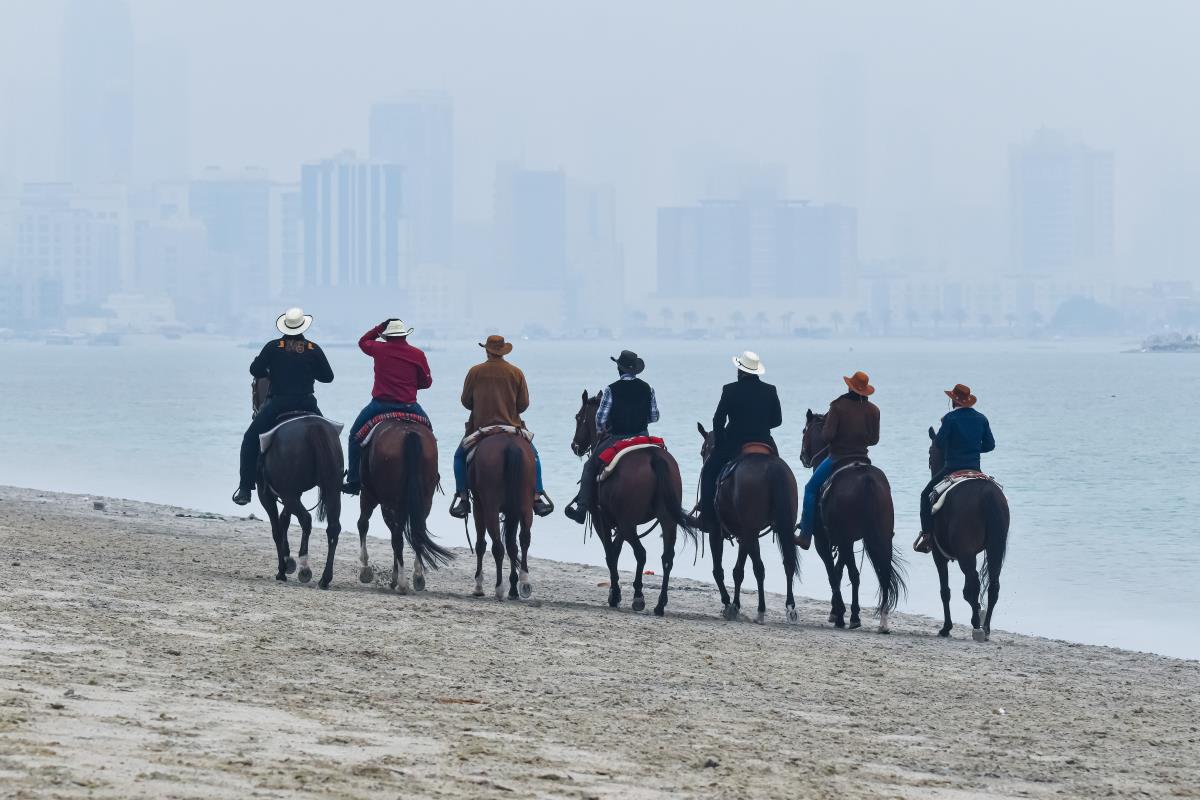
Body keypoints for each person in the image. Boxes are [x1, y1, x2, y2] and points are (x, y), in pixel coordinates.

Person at [233, 307, 334, 505]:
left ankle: (245, 488)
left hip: (279, 403)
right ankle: (337, 477)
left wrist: (271, 368)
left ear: (285, 326)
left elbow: (255, 370)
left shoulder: (273, 347)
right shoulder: (313, 348)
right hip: (307, 403)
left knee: (250, 438)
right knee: (330, 436)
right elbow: (328, 377)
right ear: (303, 327)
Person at [449, 335, 554, 519]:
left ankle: (463, 498)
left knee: (459, 457)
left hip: (481, 429)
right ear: (503, 351)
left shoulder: (475, 371)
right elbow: (523, 404)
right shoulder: (516, 372)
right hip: (511, 428)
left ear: (487, 350)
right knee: (534, 457)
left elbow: (466, 402)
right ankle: (537, 496)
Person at [563, 350, 660, 524]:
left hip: (618, 437)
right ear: (635, 370)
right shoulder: (648, 388)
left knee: (589, 466)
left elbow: (600, 419)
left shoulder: (611, 389)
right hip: (644, 437)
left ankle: (582, 509)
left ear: (619, 369)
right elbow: (654, 417)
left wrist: (602, 430)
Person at [691, 351, 782, 533]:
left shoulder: (730, 389)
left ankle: (707, 517)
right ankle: (779, 516)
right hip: (764, 441)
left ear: (741, 371)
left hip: (734, 443)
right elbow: (777, 420)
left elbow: (718, 420)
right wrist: (761, 425)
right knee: (780, 471)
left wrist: (722, 441)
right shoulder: (770, 389)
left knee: (708, 471)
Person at [341, 319, 431, 495]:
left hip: (380, 406)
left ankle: (353, 481)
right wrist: (411, 385)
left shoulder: (378, 348)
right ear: (405, 335)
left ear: (386, 336)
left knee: (354, 436)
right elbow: (426, 382)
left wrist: (378, 328)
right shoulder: (418, 354)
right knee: (430, 435)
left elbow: (362, 342)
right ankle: (432, 476)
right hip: (410, 406)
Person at [796, 371, 880, 549]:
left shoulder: (837, 406)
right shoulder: (874, 410)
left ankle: (805, 535)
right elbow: (874, 440)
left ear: (849, 386)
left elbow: (827, 436)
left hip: (838, 458)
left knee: (810, 489)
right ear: (865, 391)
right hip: (863, 459)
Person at [914, 383, 995, 553]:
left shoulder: (950, 419)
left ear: (953, 401)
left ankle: (927, 537)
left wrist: (955, 445)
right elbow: (990, 445)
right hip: (975, 469)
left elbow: (940, 444)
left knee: (924, 495)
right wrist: (972, 447)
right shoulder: (982, 418)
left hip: (952, 468)